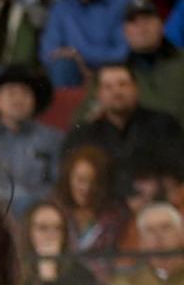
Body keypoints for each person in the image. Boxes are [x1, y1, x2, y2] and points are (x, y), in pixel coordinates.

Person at [64, 62, 184, 199]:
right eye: (108, 87)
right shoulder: (83, 134)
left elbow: (177, 169)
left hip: (156, 202)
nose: (116, 92)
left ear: (136, 88)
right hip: (103, 204)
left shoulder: (164, 125)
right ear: (98, 94)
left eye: (123, 84)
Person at [0, 65, 61, 216]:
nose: (18, 99)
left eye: (25, 92)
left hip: (36, 215)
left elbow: (57, 186)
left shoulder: (52, 139)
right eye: (11, 92)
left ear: (34, 100)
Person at [54, 145, 129, 277]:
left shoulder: (116, 217)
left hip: (101, 284)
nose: (86, 188)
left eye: (93, 182)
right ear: (69, 179)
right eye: (80, 180)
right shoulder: (54, 211)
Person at [120, 0, 184, 129]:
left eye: (147, 20)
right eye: (134, 22)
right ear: (125, 31)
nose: (141, 28)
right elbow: (86, 119)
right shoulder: (114, 74)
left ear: (161, 25)